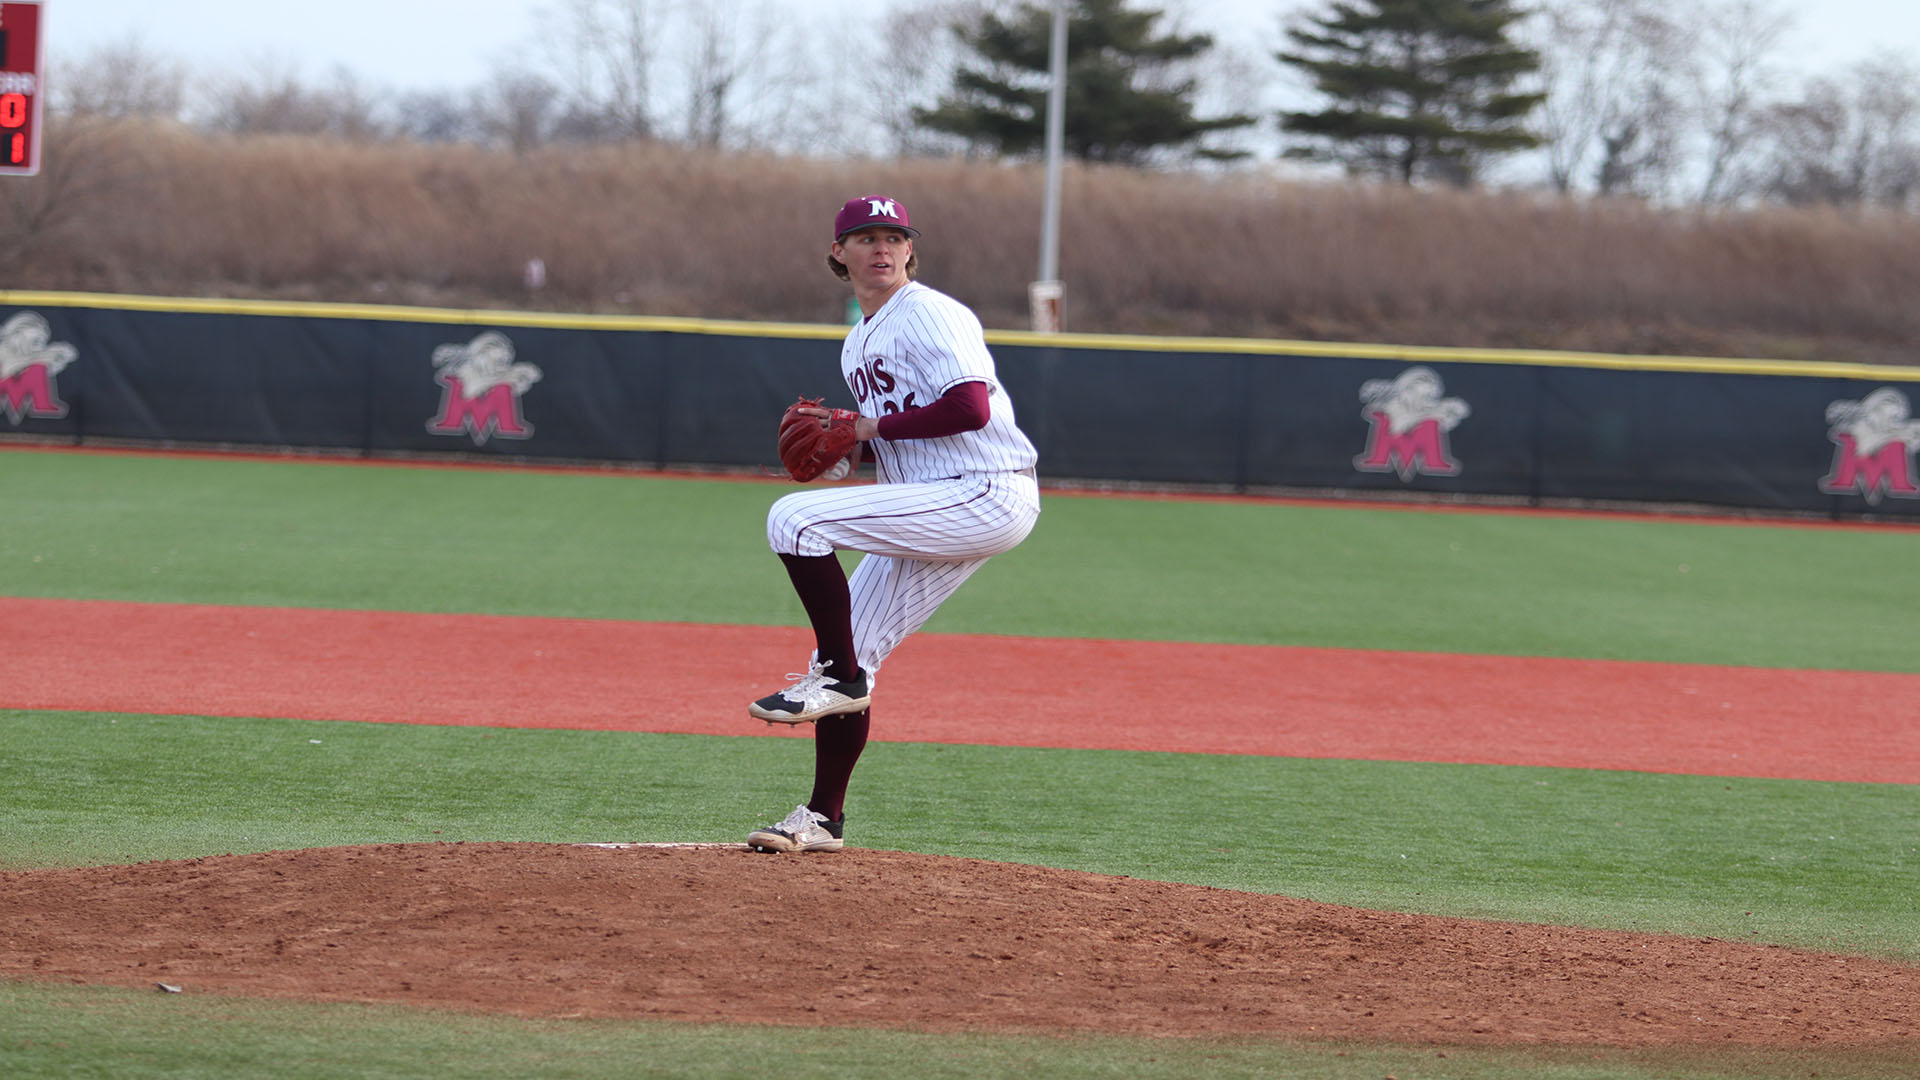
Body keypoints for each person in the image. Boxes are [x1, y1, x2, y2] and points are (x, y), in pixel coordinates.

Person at [745, 194, 1041, 853]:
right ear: (837, 253)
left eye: (893, 236)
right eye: (864, 236)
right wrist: (852, 452)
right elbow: (906, 430)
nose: (881, 247)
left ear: (911, 250)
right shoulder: (858, 342)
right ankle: (823, 820)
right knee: (856, 646)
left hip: (983, 491)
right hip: (938, 497)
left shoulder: (929, 313)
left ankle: (837, 673)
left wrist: (868, 428)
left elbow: (966, 408)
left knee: (793, 521)